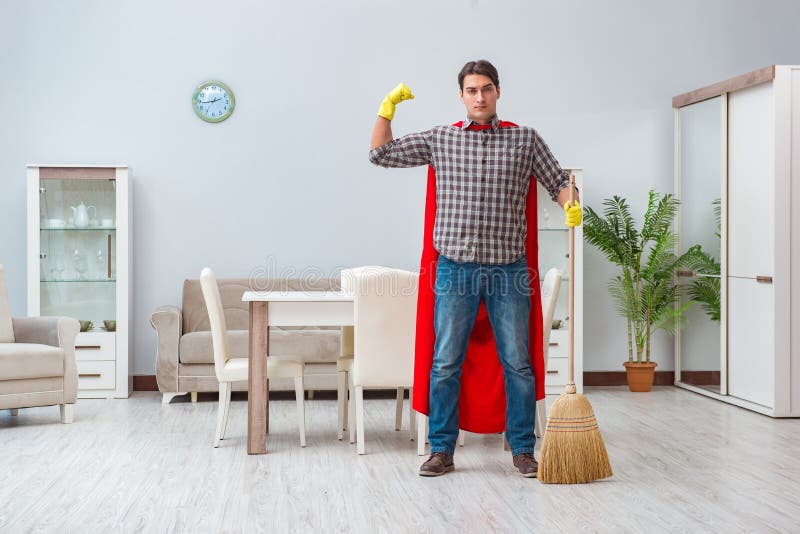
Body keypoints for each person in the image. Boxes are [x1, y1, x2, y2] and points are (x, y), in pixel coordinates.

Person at [368, 60, 581, 478]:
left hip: (509, 271)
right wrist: (386, 109)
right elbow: (381, 154)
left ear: (498, 91)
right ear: (462, 95)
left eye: (486, 89)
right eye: (471, 90)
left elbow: (558, 181)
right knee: (446, 362)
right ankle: (441, 450)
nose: (479, 97)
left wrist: (570, 203)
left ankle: (523, 450)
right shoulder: (441, 138)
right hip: (455, 269)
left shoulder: (525, 140)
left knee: (518, 364)